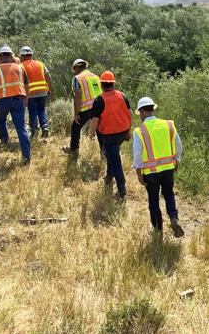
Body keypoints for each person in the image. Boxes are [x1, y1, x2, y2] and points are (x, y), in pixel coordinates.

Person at [132, 96, 184, 237]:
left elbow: (137, 155)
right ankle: (174, 218)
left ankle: (158, 230)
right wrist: (176, 160)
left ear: (142, 112)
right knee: (168, 193)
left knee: (153, 200)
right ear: (153, 109)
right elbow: (179, 145)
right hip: (168, 169)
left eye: (140, 113)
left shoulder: (140, 131)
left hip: (151, 173)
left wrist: (138, 173)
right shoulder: (168, 125)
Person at [82, 70, 131, 198]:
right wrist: (128, 132)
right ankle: (109, 176)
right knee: (111, 154)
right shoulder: (123, 96)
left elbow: (95, 120)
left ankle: (121, 189)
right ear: (113, 84)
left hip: (109, 135)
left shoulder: (99, 100)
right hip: (122, 133)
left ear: (101, 85)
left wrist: (91, 134)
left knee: (115, 159)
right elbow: (129, 114)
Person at [0, 45, 31, 164]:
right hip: (18, 100)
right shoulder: (20, 68)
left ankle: (4, 141)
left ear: (0, 57)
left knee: (1, 121)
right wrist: (26, 98)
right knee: (21, 128)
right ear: (11, 56)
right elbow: (26, 84)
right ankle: (26, 156)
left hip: (3, 101)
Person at [63, 58, 102, 155]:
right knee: (99, 129)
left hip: (86, 108)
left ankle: (73, 150)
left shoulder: (78, 78)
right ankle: (104, 152)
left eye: (74, 70)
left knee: (75, 127)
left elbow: (78, 97)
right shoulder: (96, 77)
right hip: (99, 107)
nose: (74, 72)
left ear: (76, 68)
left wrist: (76, 113)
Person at [18, 46, 51, 138]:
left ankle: (34, 131)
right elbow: (48, 77)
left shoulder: (21, 66)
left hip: (31, 93)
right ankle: (45, 127)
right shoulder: (40, 64)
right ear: (31, 55)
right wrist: (49, 89)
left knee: (32, 112)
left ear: (23, 56)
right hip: (43, 91)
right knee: (42, 109)